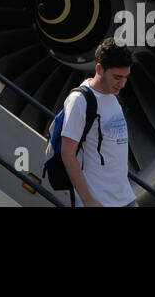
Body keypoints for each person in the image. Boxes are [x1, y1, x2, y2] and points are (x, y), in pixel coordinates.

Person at [60, 37, 135, 207]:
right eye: (117, 77)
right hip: (100, 202)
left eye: (126, 77)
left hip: (125, 198)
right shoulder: (80, 100)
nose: (122, 84)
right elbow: (67, 153)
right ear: (100, 69)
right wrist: (88, 201)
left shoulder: (112, 97)